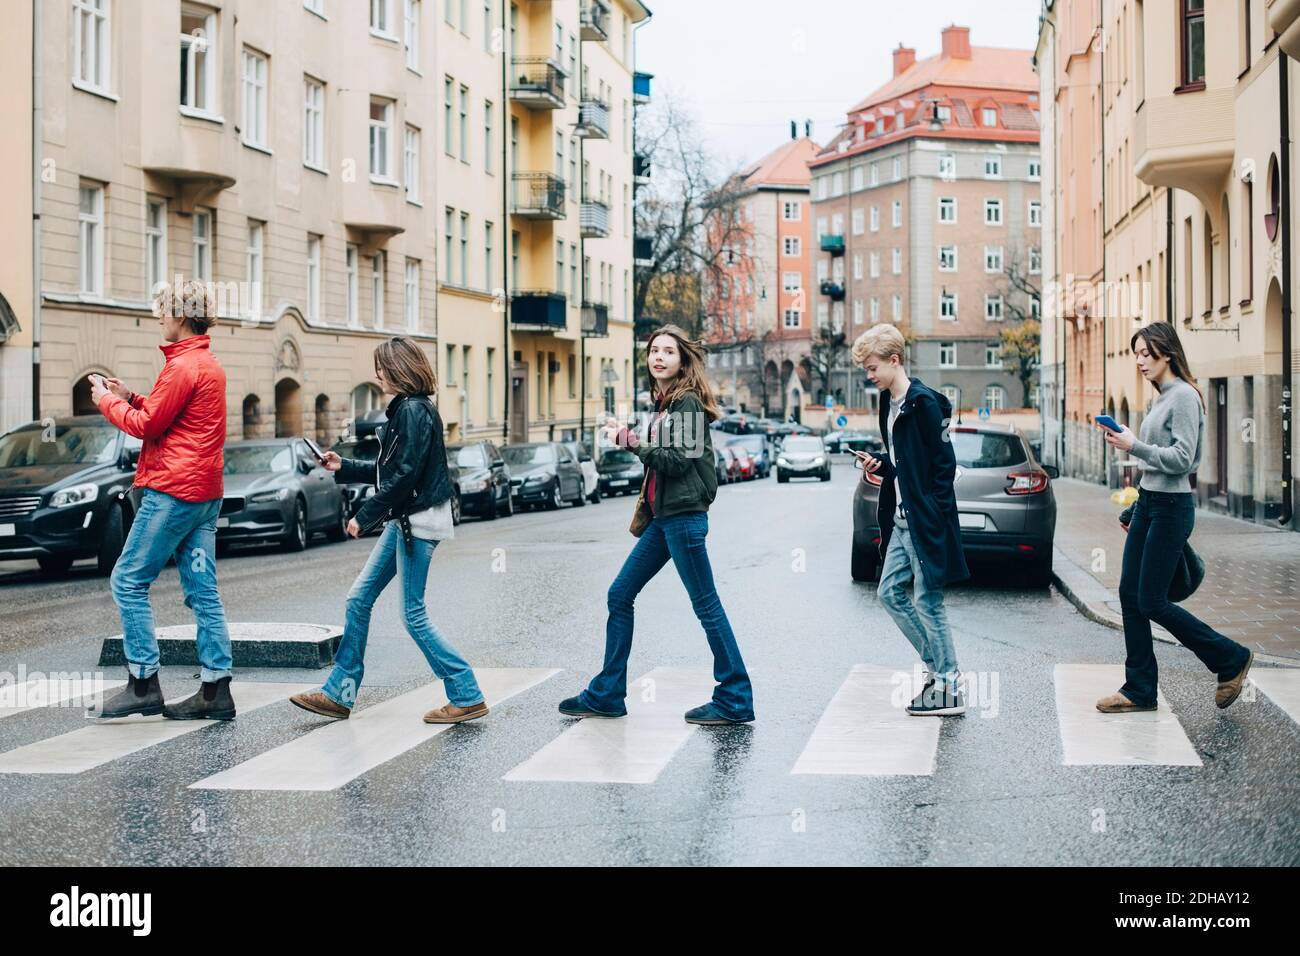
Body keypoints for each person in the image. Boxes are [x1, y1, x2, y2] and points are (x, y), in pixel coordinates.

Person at [558, 325, 755, 724]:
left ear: (683, 360)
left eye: (668, 351)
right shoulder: (665, 404)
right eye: (653, 351)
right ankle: (608, 693)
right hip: (664, 520)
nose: (659, 357)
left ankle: (735, 697)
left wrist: (629, 440)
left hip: (683, 520)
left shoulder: (688, 404)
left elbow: (676, 461)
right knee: (619, 594)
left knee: (706, 606)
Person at [289, 337, 487, 724]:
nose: (376, 374)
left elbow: (404, 477)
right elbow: (391, 470)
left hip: (417, 522)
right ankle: (339, 694)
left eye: (381, 366)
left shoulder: (413, 411)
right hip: (407, 520)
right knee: (358, 598)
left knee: (413, 615)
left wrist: (365, 515)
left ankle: (466, 692)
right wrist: (343, 466)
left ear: (399, 368)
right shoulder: (409, 411)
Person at [93, 278, 234, 720]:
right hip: (203, 494)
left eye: (162, 310)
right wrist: (128, 396)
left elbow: (149, 426)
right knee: (202, 591)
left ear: (180, 315)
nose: (158, 316)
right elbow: (169, 415)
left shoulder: (183, 366)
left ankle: (143, 684)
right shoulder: (206, 363)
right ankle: (215, 689)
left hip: (172, 492)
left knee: (128, 580)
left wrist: (104, 403)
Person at [1096, 322, 1253, 713]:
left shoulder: (1183, 396)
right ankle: (1139, 688)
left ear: (1166, 352)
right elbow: (1156, 459)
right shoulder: (1162, 396)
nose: (1139, 361)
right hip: (1151, 503)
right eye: (1135, 354)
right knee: (1129, 596)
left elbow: (1183, 460)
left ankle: (1230, 658)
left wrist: (1135, 445)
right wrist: (1135, 505)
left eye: (1146, 354)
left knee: (1151, 601)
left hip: (1171, 509)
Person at [852, 323, 970, 716]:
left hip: (923, 521)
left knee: (929, 600)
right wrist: (880, 464)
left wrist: (930, 516)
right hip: (902, 520)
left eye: (872, 368)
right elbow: (905, 464)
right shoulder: (889, 402)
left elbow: (943, 468)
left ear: (894, 360)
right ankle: (939, 671)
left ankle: (949, 686)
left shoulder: (923, 404)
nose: (869, 376)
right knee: (889, 593)